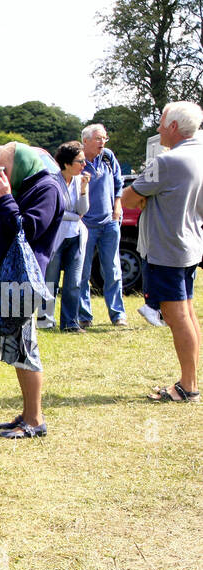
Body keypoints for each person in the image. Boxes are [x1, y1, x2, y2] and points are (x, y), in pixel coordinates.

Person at [0, 142, 66, 438]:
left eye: (4, 167)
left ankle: (35, 420)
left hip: (22, 280)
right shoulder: (21, 188)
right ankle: (27, 413)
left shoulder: (47, 189)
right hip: (4, 279)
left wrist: (5, 197)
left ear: (22, 165)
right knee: (15, 349)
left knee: (26, 349)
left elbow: (27, 230)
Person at [120, 101, 203, 403]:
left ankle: (188, 386)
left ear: (172, 127)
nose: (157, 128)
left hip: (166, 249)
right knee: (188, 313)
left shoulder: (167, 162)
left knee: (176, 315)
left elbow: (128, 198)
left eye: (161, 122)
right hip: (189, 244)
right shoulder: (199, 156)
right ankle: (190, 380)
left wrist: (144, 200)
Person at [75, 123, 127, 328]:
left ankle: (118, 315)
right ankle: (84, 316)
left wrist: (117, 207)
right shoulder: (77, 160)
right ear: (85, 141)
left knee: (113, 269)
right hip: (86, 224)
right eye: (98, 139)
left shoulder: (107, 156)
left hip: (109, 222)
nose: (102, 142)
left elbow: (118, 183)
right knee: (83, 271)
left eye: (104, 138)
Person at [37, 141, 91, 332]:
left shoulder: (80, 180)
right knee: (50, 281)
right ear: (67, 163)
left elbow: (84, 210)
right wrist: (75, 215)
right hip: (56, 238)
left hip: (76, 236)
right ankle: (45, 320)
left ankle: (70, 323)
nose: (84, 165)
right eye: (80, 161)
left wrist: (84, 190)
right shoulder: (52, 182)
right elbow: (55, 211)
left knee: (74, 282)